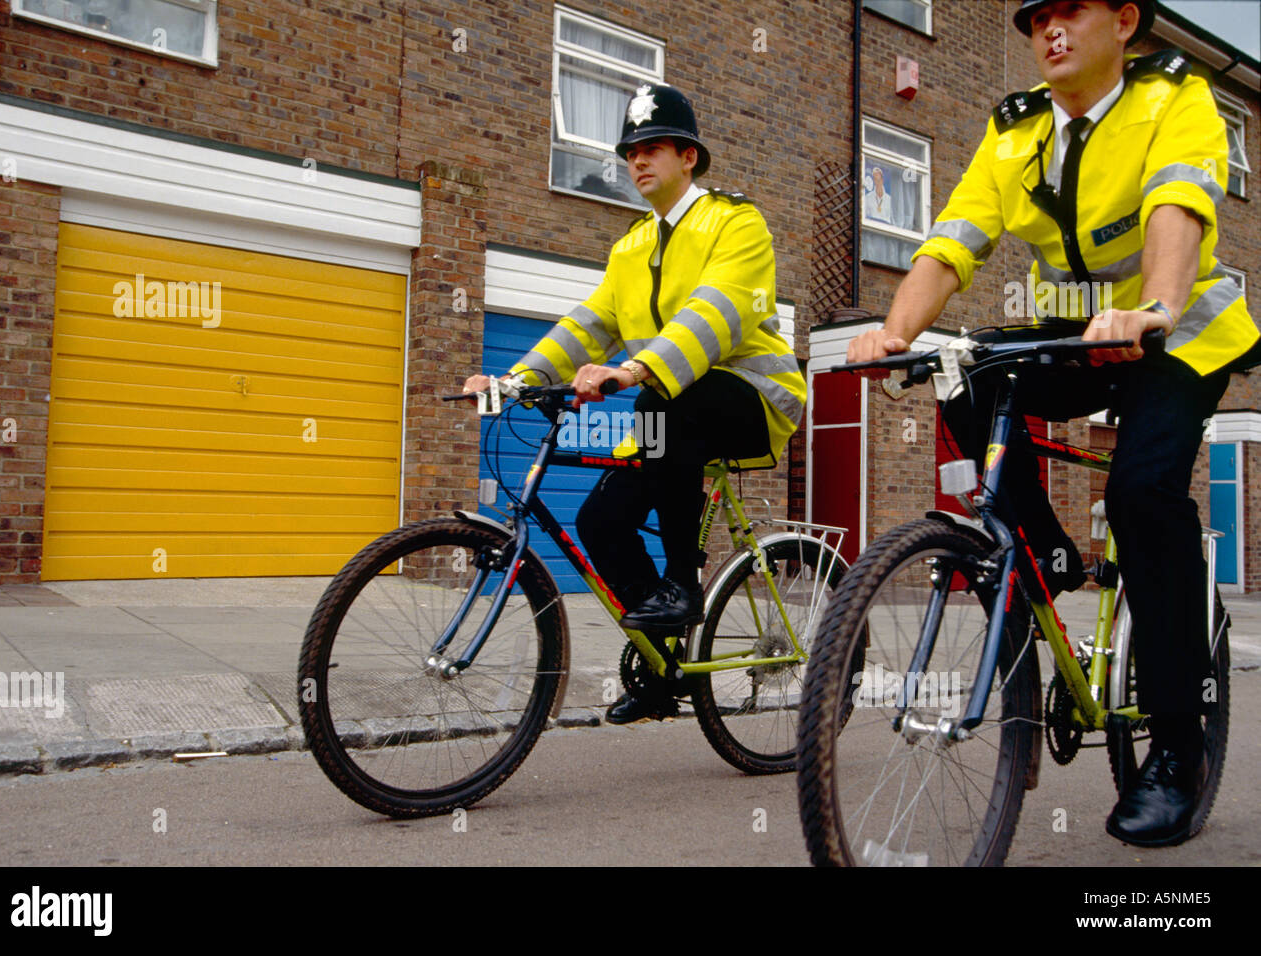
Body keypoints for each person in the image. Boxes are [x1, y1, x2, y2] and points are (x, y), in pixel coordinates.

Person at [846, 0, 1259, 848]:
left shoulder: (1171, 97)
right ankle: (1045, 550)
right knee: (959, 376)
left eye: (1072, 10)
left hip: (1180, 329)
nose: (1050, 30)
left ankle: (1178, 748)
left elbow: (1180, 202)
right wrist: (898, 329)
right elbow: (954, 238)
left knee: (1144, 496)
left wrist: (1153, 306)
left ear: (1125, 21)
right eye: (1037, 18)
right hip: (1078, 327)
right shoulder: (1017, 128)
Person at [462, 83, 806, 724]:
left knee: (673, 399)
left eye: (653, 148)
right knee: (600, 521)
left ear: (689, 158)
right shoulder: (629, 247)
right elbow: (588, 326)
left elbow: (718, 314)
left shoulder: (735, 222)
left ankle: (683, 582)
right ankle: (661, 665)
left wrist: (636, 369)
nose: (638, 161)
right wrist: (513, 379)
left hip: (754, 398)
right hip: (670, 407)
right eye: (630, 152)